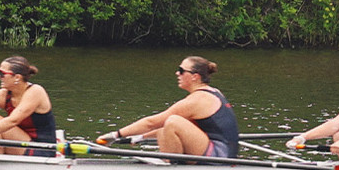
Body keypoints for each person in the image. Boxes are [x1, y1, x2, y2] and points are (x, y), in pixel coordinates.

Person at [96, 56, 239, 157]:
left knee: (172, 121)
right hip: (221, 149)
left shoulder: (197, 100)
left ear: (195, 76)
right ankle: (170, 163)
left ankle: (168, 166)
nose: (177, 73)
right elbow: (183, 128)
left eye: (181, 70)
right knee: (168, 126)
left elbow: (151, 122)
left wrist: (115, 135)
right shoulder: (212, 92)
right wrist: (141, 137)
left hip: (219, 154)